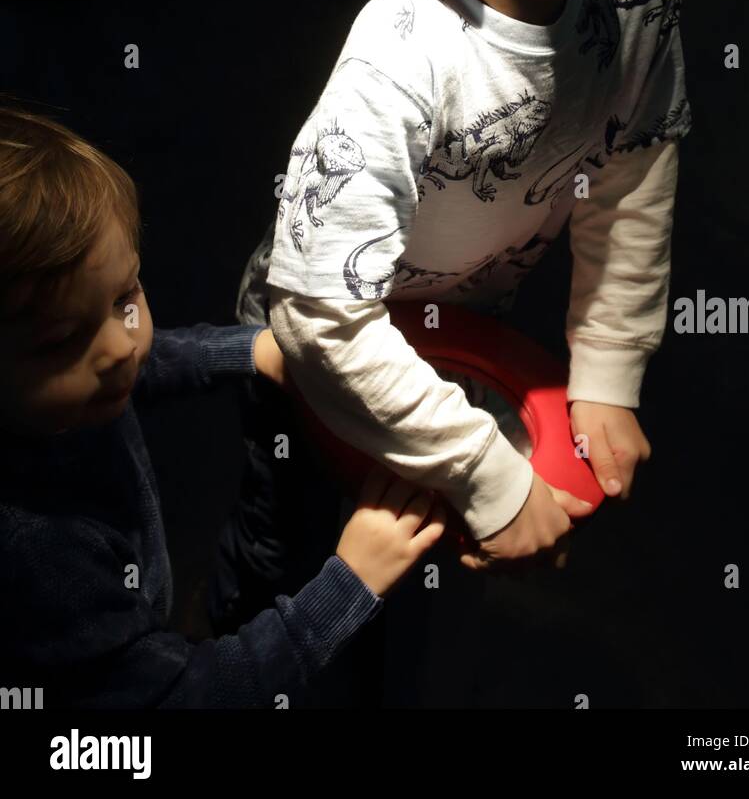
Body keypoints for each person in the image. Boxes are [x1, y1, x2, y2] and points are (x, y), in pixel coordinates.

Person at [213, 0, 692, 618]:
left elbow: (633, 182)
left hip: (455, 334)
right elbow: (323, 323)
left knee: (410, 600)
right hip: (308, 351)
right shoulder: (401, 59)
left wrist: (606, 369)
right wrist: (490, 476)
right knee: (297, 573)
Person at [0, 103, 445, 708]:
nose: (118, 348)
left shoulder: (71, 392)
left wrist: (251, 348)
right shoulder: (43, 561)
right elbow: (182, 696)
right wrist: (349, 584)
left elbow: (148, 366)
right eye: (59, 341)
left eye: (125, 295)